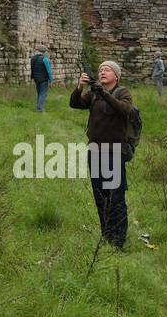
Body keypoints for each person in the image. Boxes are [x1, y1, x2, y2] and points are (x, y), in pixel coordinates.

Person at [69, 60, 135, 249]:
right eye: (100, 70)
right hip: (95, 152)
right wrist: (79, 87)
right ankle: (106, 235)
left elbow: (124, 110)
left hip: (114, 152)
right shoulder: (94, 95)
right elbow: (75, 104)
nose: (102, 72)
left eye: (107, 70)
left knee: (115, 197)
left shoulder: (123, 93)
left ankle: (118, 241)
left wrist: (103, 93)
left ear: (116, 75)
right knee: (100, 196)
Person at [29, 44, 53, 112]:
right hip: (44, 79)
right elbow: (49, 71)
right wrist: (51, 80)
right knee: (43, 94)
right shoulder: (45, 59)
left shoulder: (33, 58)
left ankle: (39, 107)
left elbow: (32, 68)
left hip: (36, 78)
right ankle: (39, 109)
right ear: (44, 51)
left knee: (39, 93)